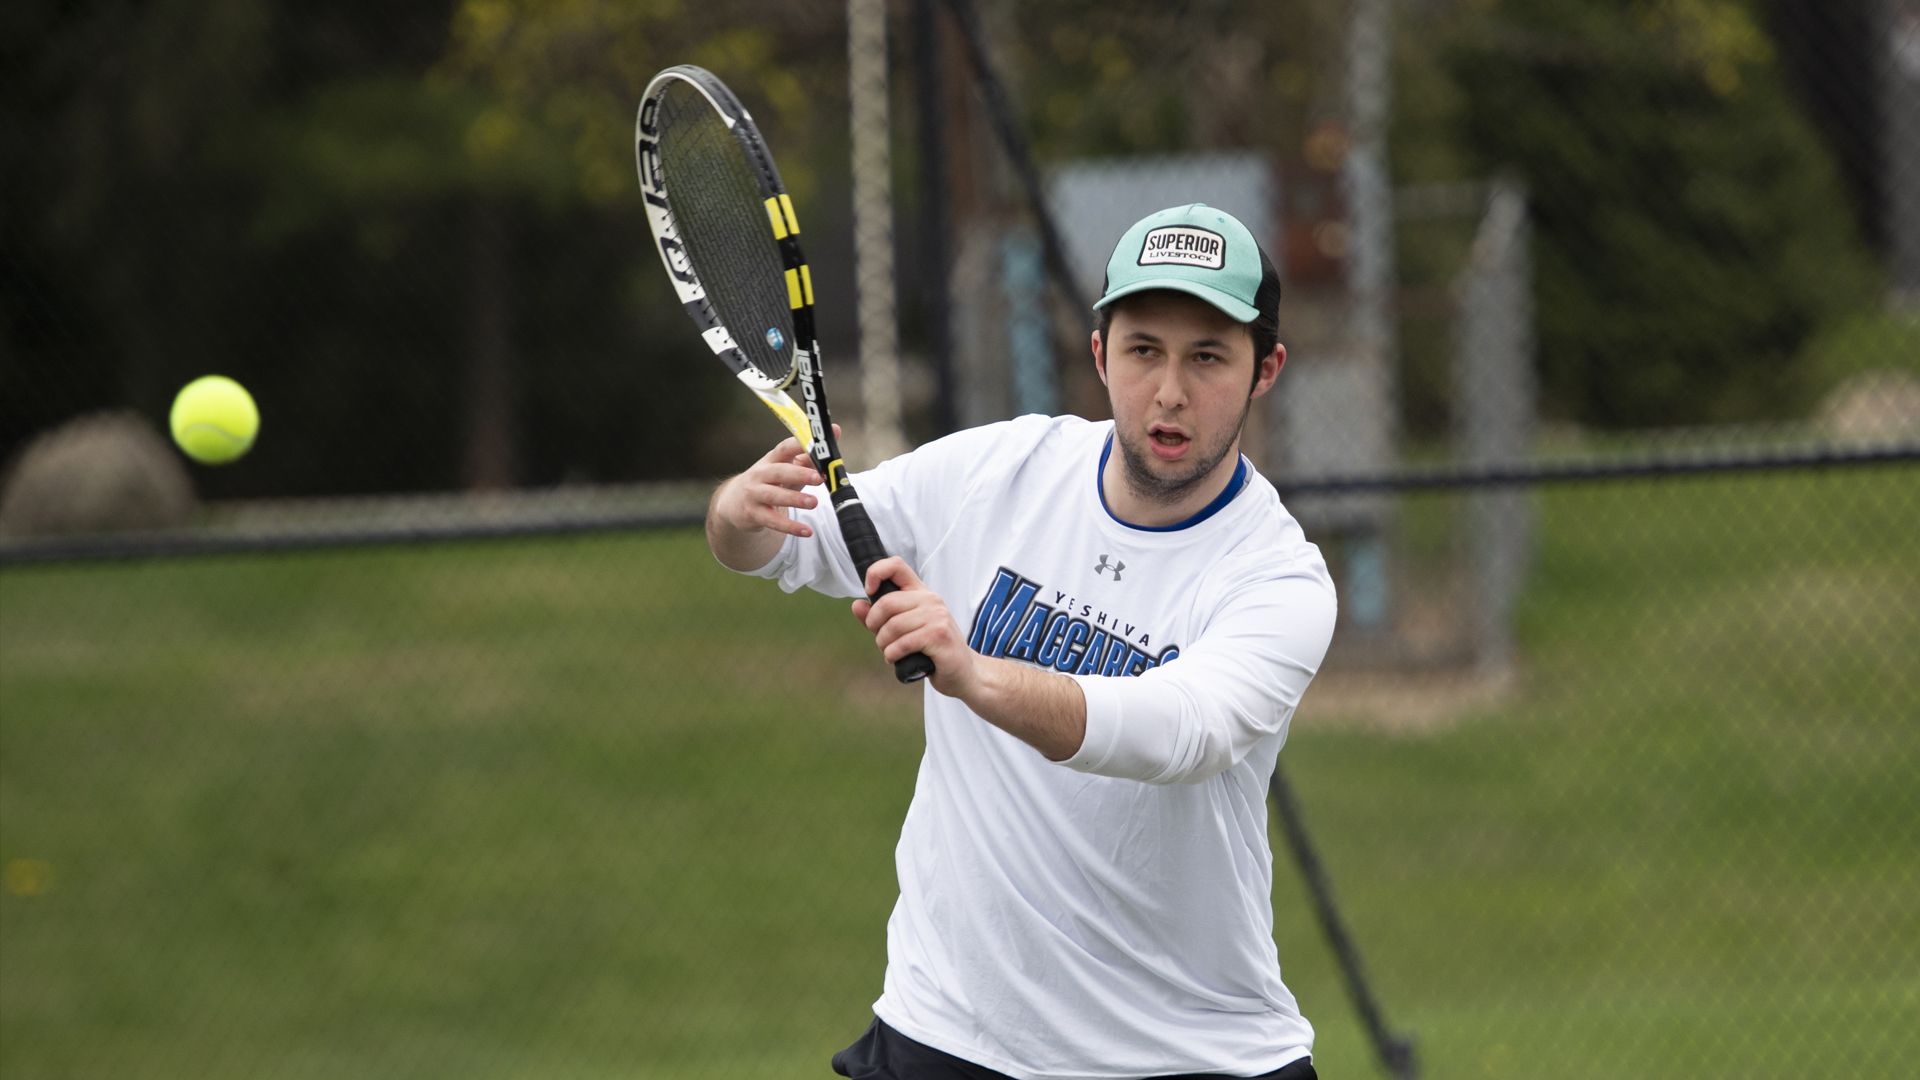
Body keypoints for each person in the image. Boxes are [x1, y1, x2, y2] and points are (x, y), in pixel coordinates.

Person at [706, 204, 1338, 1080]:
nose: (1169, 392)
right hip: (946, 1034)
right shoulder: (995, 472)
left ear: (1265, 369)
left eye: (1208, 358)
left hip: (1184, 1055)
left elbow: (1181, 732)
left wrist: (973, 673)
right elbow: (779, 545)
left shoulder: (1278, 578)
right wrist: (737, 513)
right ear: (1098, 353)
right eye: (1143, 349)